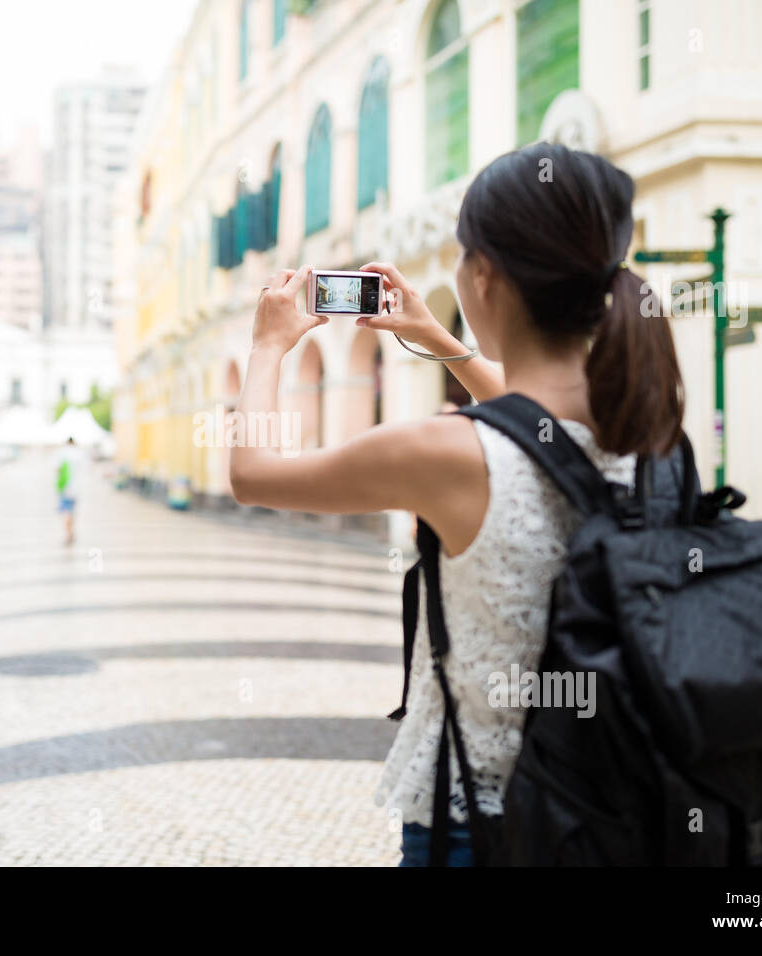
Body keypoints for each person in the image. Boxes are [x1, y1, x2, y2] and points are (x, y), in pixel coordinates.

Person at [229, 142, 683, 866]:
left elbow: (252, 473)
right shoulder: (650, 426)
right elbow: (537, 421)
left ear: (482, 275)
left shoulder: (446, 452)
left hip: (486, 824)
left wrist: (267, 349)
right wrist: (435, 339)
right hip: (625, 807)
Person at [55, 436, 85, 546]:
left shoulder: (62, 453)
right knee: (72, 511)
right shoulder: (79, 453)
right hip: (77, 488)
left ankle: (68, 534)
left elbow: (57, 469)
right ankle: (72, 532)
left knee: (66, 511)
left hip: (66, 487)